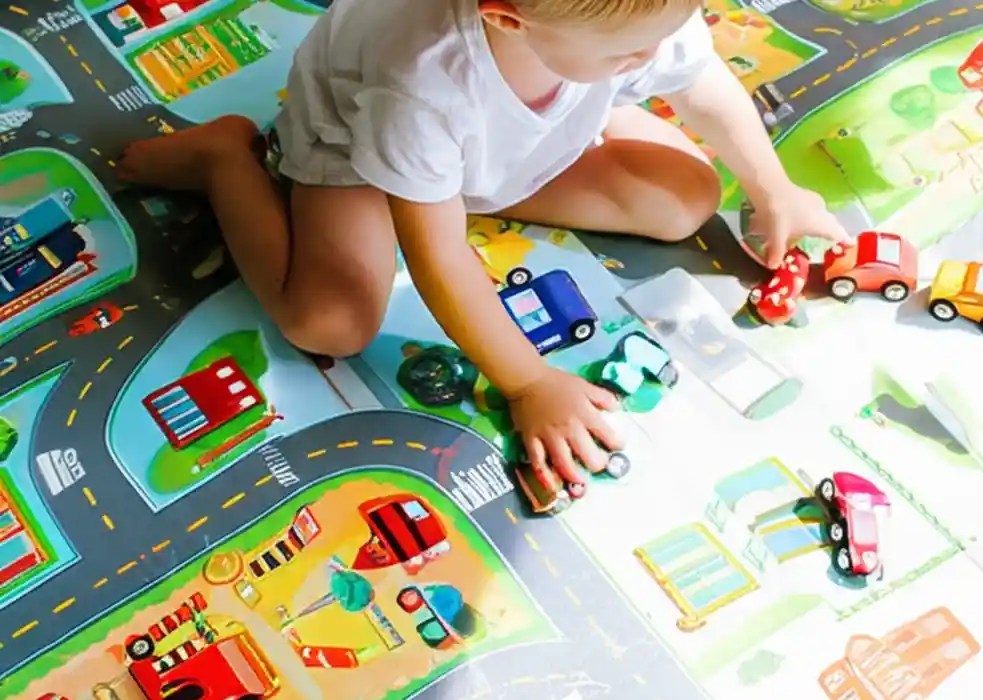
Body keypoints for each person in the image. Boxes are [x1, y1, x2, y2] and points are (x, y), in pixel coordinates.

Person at [117, 0, 850, 484]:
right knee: (328, 321)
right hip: (358, 150)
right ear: (506, 17)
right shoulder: (424, 81)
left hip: (479, 150)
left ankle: (483, 169)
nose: (654, 57)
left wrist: (774, 190)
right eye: (629, 57)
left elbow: (700, 82)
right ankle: (223, 160)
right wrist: (529, 382)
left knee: (686, 196)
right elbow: (436, 257)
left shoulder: (627, 15)